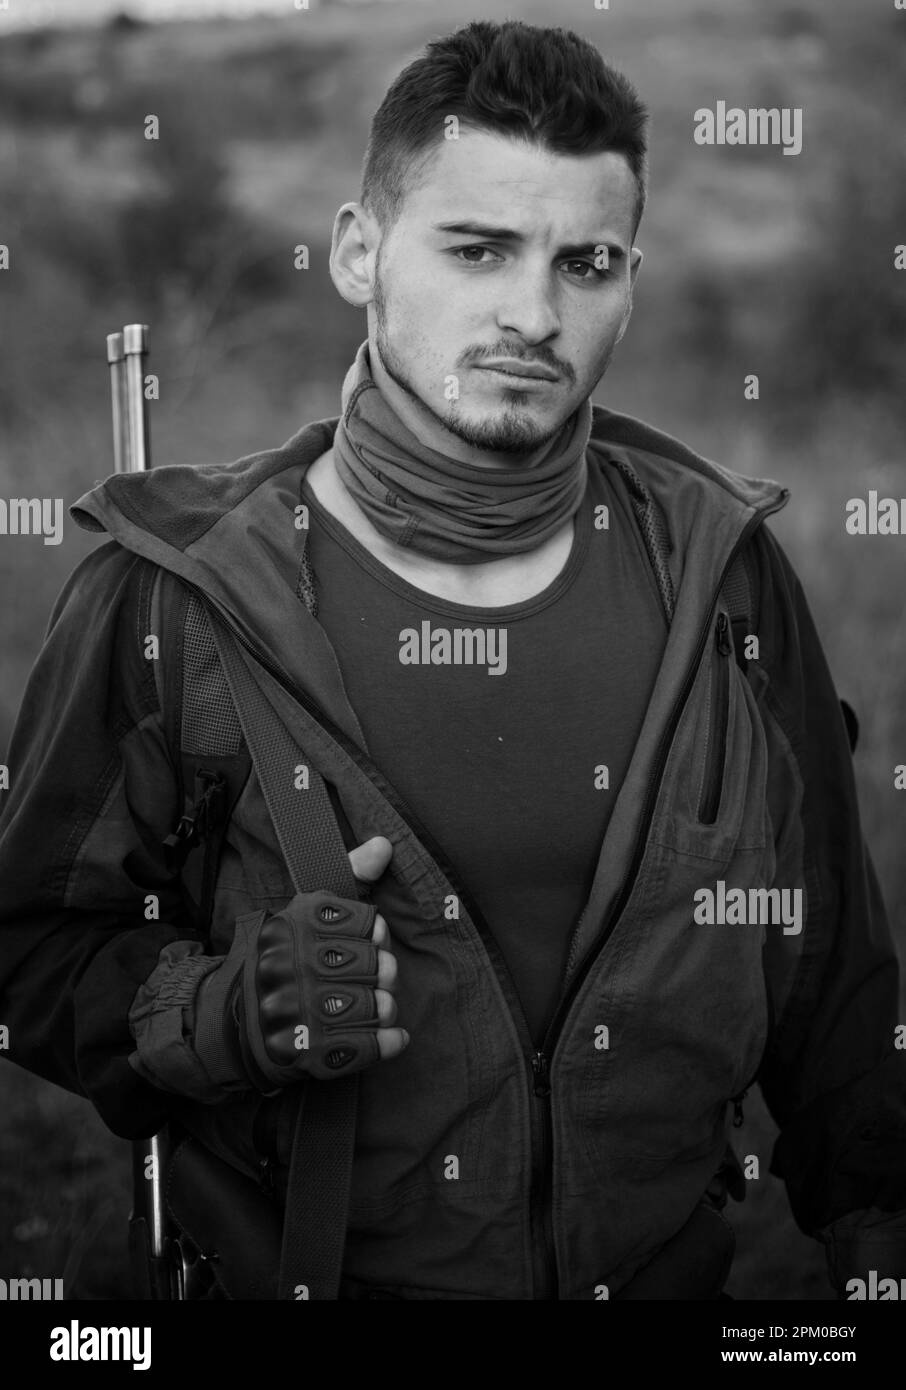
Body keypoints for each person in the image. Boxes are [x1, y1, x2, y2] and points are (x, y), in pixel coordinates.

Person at [0, 19, 904, 1302]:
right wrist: (222, 1009)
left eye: (585, 263)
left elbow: (829, 972)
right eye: (477, 249)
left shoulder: (723, 572)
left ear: (631, 281)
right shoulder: (172, 595)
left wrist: (877, 1238)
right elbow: (27, 948)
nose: (533, 315)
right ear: (359, 251)